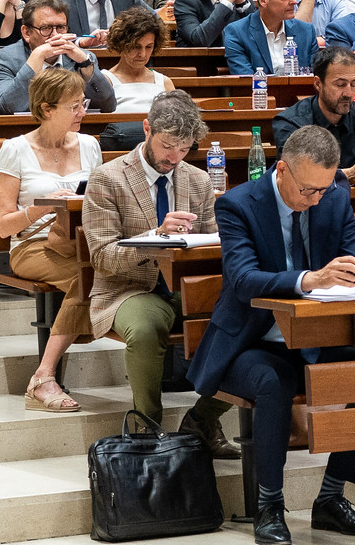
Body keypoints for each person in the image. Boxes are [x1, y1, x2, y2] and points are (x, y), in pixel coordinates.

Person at [187, 125, 355, 542]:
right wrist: (310, 279)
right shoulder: (238, 205)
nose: (316, 199)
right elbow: (242, 279)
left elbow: (353, 253)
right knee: (274, 382)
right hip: (249, 343)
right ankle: (269, 506)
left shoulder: (334, 197)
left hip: (314, 337)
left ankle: (330, 498)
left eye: (324, 190)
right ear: (282, 170)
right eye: (308, 190)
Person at [81, 91, 234, 452]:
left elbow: (214, 244)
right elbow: (102, 256)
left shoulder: (197, 180)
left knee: (252, 320)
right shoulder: (107, 178)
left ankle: (203, 418)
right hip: (129, 289)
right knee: (147, 328)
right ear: (147, 129)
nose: (175, 157)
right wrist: (155, 237)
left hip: (186, 288)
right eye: (168, 147)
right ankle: (147, 428)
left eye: (184, 149)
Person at [0, 66, 101, 412]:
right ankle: (43, 377)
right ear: (47, 109)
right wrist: (42, 207)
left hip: (77, 240)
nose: (82, 112)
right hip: (31, 244)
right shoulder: (15, 149)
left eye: (83, 104)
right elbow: (4, 226)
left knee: (103, 270)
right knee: (86, 278)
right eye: (74, 106)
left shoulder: (90, 145)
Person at [270, 46, 355, 179]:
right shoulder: (291, 122)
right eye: (340, 85)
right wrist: (346, 175)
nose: (348, 93)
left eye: (353, 84)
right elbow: (293, 174)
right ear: (318, 83)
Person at [0, 0, 118, 115]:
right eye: (46, 28)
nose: (55, 35)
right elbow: (12, 106)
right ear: (26, 32)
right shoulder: (3, 60)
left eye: (60, 28)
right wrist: (38, 56)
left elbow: (108, 105)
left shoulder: (81, 58)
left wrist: (86, 64)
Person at [225, 0, 318, 77]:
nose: (294, 1)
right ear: (263, 0)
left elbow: (316, 77)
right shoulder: (237, 32)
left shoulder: (306, 31)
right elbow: (246, 81)